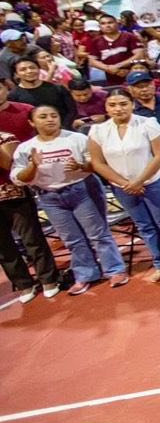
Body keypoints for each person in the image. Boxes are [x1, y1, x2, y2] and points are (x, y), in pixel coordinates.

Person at [10, 105, 128, 294]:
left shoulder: (77, 139)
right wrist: (33, 166)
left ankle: (115, 270)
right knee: (72, 239)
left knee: (98, 233)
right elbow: (18, 179)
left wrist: (81, 165)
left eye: (54, 115)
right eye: (43, 117)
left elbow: (97, 165)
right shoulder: (25, 148)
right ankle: (84, 275)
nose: (50, 119)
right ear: (32, 122)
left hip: (82, 190)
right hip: (49, 196)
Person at [87, 89, 160, 280]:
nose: (118, 109)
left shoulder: (148, 123)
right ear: (106, 108)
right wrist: (126, 184)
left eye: (123, 104)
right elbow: (97, 162)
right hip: (123, 187)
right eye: (113, 105)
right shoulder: (97, 130)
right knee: (145, 226)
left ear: (132, 104)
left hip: (155, 180)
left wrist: (139, 181)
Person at [0, 123, 64, 301]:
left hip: (14, 196)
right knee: (3, 248)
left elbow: (7, 164)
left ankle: (49, 279)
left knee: (31, 239)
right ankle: (24, 284)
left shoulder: (6, 137)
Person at [7, 57, 75, 126]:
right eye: (23, 69)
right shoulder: (13, 96)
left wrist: (63, 128)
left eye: (32, 67)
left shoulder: (58, 89)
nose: (29, 71)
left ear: (39, 69)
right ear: (16, 74)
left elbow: (72, 111)